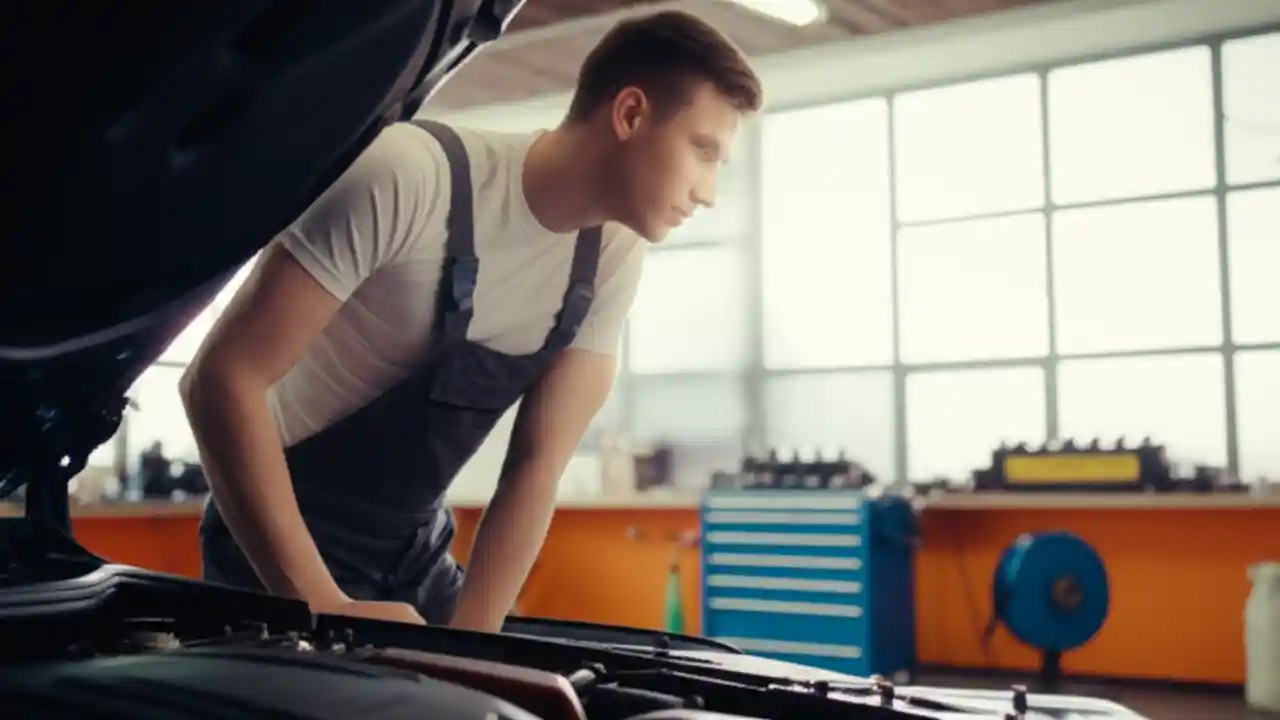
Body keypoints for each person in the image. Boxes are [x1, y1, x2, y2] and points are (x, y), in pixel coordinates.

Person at [180, 10, 763, 633]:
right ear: (629, 114)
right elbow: (219, 382)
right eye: (703, 151)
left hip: (416, 552)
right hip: (275, 551)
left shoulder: (613, 255)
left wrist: (479, 643)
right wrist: (320, 604)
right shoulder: (409, 176)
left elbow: (535, 467)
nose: (709, 192)